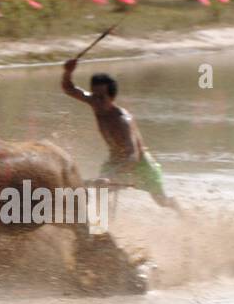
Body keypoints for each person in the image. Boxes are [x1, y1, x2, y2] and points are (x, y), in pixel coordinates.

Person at [62, 61, 180, 209]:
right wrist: (68, 72)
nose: (97, 101)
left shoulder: (122, 120)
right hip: (115, 160)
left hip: (140, 164)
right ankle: (102, 228)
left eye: (102, 97)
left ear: (112, 98)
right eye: (95, 95)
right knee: (101, 192)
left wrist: (110, 176)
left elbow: (133, 155)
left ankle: (177, 207)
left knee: (161, 201)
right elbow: (69, 89)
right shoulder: (94, 102)